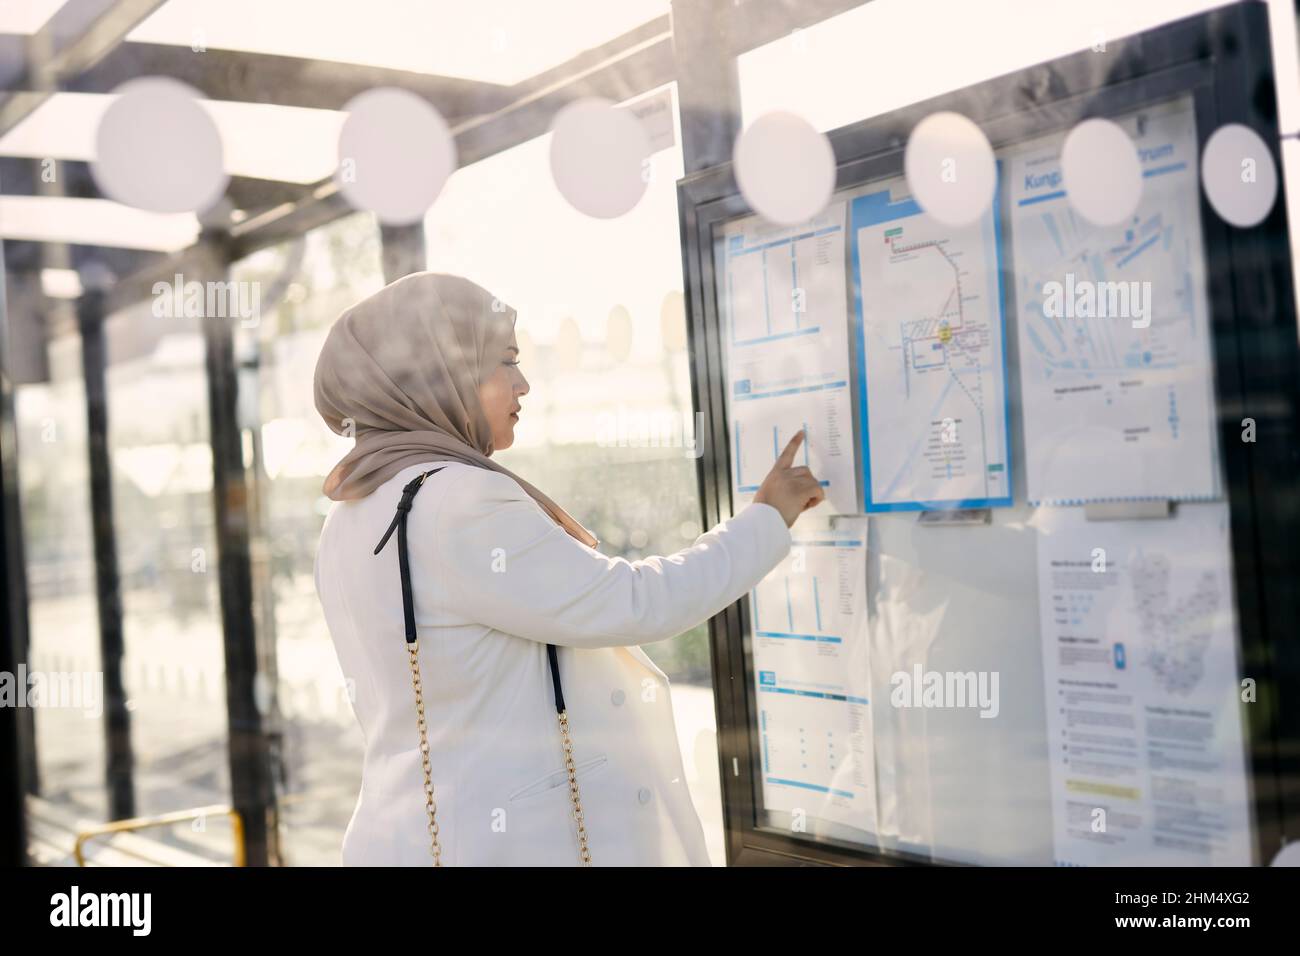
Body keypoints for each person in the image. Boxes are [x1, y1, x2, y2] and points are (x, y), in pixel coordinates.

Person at [312, 271, 824, 866]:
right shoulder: (461, 502)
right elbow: (634, 602)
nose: (522, 383)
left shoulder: (349, 511)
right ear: (437, 375)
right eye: (503, 361)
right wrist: (765, 519)